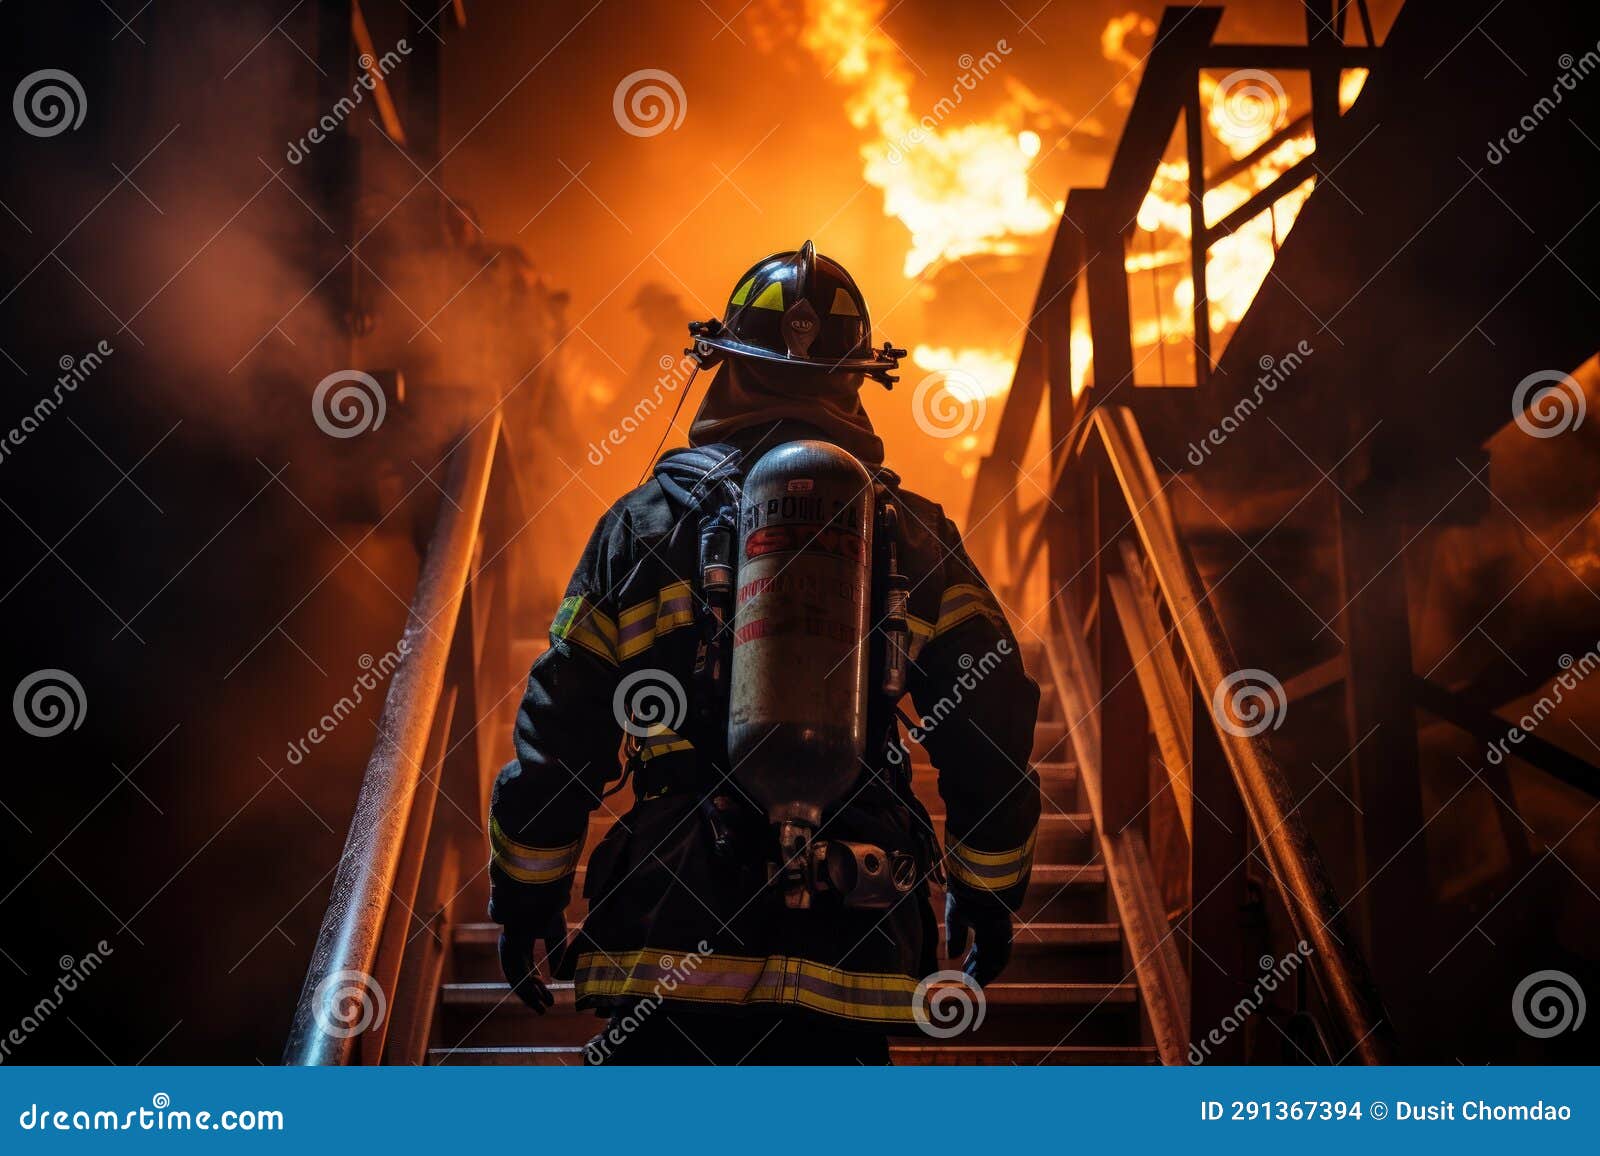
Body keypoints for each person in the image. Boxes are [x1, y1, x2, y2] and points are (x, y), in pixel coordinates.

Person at [488, 242, 1041, 1064]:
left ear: (725, 365)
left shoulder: (642, 526)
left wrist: (528, 894)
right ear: (857, 378)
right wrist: (986, 897)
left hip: (670, 930)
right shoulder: (914, 536)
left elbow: (559, 726)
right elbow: (989, 726)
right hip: (849, 941)